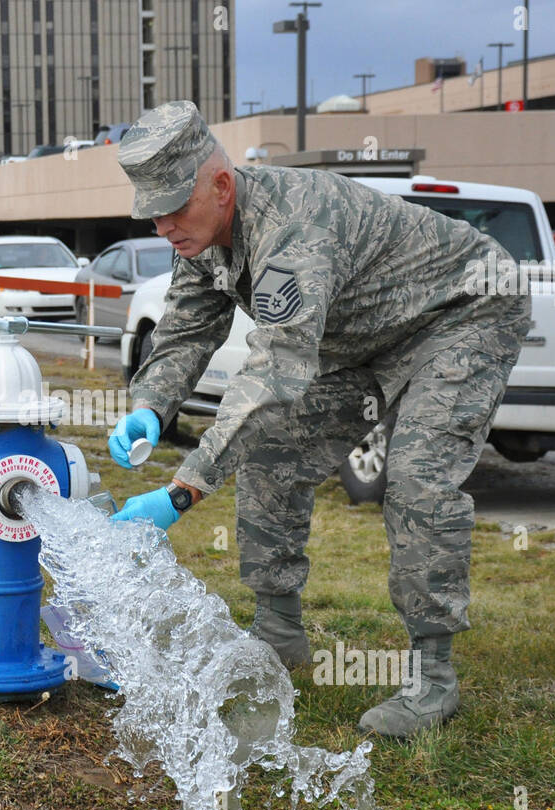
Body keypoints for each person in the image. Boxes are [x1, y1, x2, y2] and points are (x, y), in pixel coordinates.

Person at [106, 101, 529, 738]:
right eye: (152, 212)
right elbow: (189, 323)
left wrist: (183, 488)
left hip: (461, 313)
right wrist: (149, 405)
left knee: (416, 478)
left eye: (172, 208)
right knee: (272, 450)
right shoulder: (200, 232)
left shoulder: (294, 230)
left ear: (221, 185)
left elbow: (274, 372)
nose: (163, 226)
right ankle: (278, 634)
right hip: (361, 338)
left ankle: (433, 677)